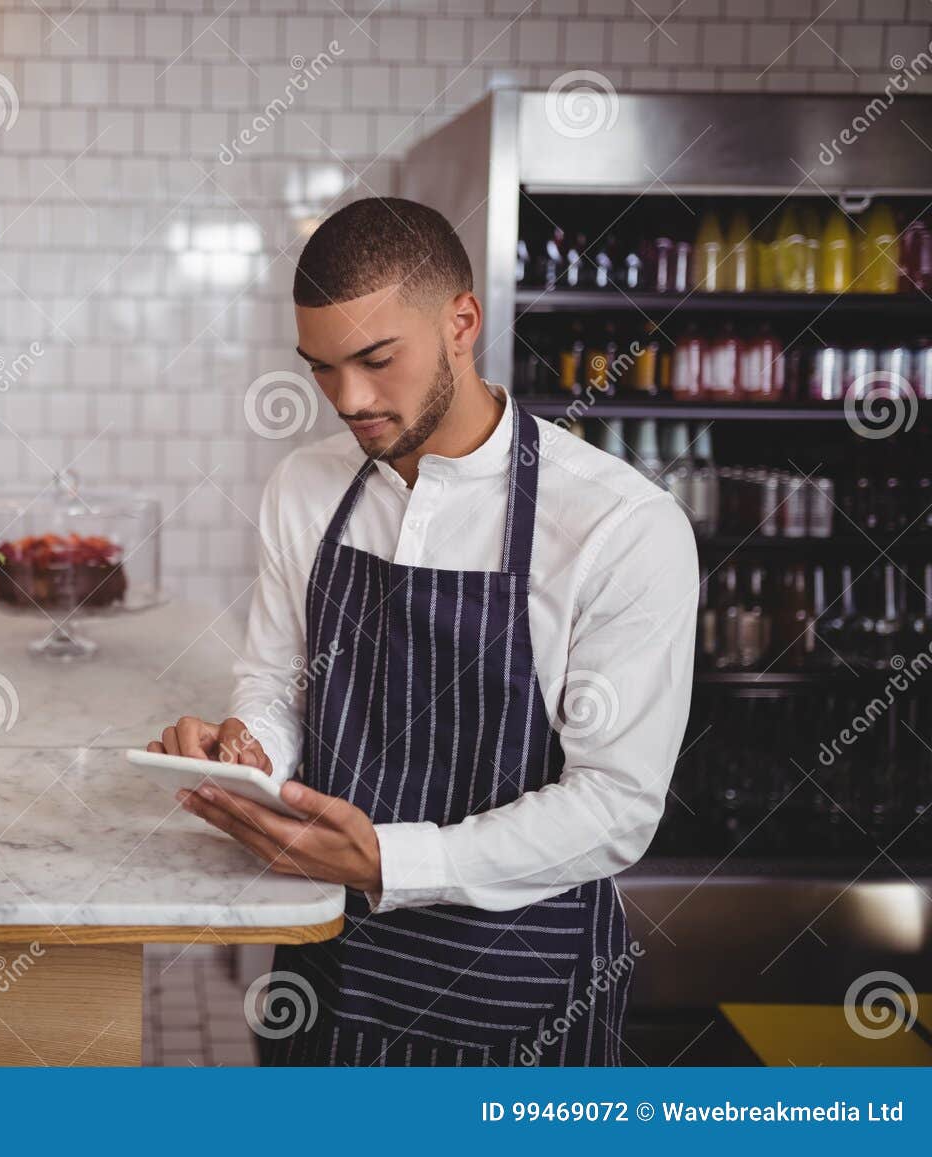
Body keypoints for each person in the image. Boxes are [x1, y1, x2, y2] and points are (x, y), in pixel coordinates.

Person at [147, 197, 697, 1067]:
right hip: (328, 967)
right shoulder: (305, 487)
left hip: (521, 995)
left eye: (375, 359)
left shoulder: (621, 525)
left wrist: (390, 861)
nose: (349, 400)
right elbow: (280, 681)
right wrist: (251, 751)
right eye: (322, 369)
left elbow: (615, 806)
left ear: (461, 322)